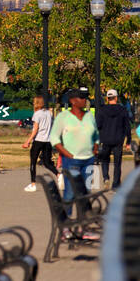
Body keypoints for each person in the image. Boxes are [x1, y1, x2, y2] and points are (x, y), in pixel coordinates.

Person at [51, 87, 100, 227]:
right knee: (70, 193)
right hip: (72, 160)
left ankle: (83, 223)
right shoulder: (63, 117)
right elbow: (54, 138)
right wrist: (67, 154)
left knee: (86, 193)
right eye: (82, 98)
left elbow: (95, 134)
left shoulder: (89, 116)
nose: (85, 100)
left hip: (88, 160)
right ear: (73, 101)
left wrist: (95, 147)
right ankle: (65, 225)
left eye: (85, 97)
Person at [94, 88, 133, 190]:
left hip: (105, 139)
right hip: (118, 140)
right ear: (116, 98)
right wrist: (128, 141)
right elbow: (127, 127)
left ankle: (106, 177)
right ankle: (115, 184)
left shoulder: (102, 110)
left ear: (107, 98)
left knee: (105, 159)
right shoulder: (122, 110)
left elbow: (97, 125)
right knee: (117, 163)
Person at [21, 94, 57, 192]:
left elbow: (35, 129)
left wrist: (27, 141)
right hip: (48, 140)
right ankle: (59, 175)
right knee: (47, 162)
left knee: (33, 161)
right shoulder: (49, 113)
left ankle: (33, 184)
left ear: (37, 103)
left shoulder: (37, 114)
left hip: (38, 140)